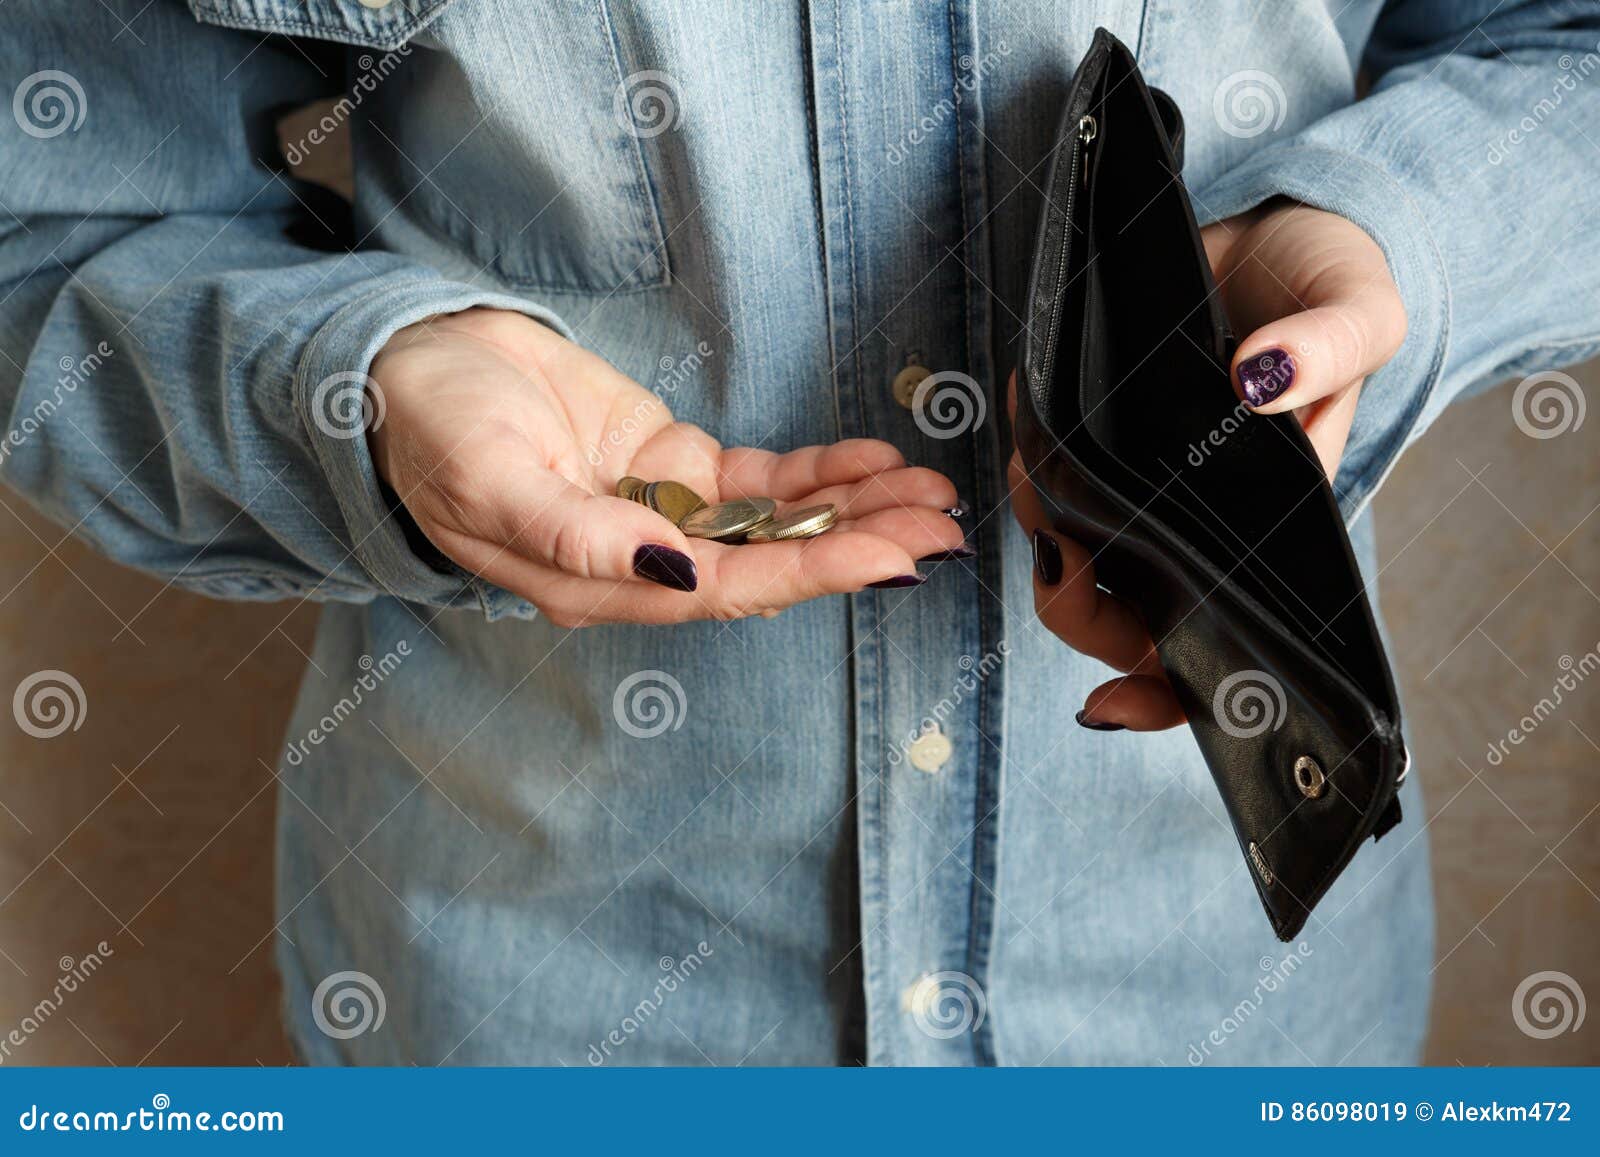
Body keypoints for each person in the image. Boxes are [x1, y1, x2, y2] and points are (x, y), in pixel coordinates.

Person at [2, 0, 1596, 1066]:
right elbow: (50, 208)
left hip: (1220, 1015)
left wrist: (1387, 238)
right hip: (525, 1011)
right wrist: (371, 388)